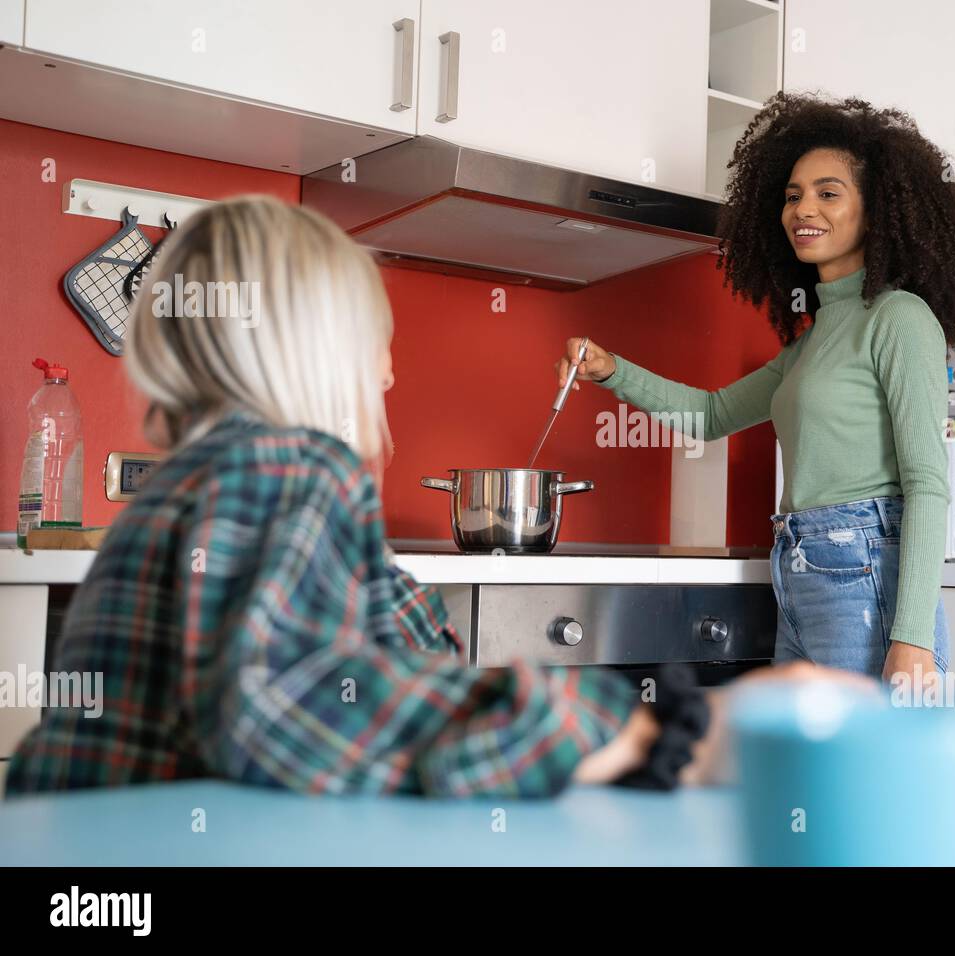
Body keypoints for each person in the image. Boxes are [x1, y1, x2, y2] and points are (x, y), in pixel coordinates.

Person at [6, 196, 844, 799]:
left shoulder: (201, 491)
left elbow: (343, 659)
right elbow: (286, 707)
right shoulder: (280, 468)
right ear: (311, 355)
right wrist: (665, 737)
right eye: (376, 344)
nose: (390, 373)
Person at [555, 93, 955, 683]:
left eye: (827, 192)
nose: (802, 208)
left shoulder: (900, 318)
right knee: (806, 768)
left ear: (878, 210)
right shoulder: (813, 341)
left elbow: (926, 481)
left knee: (854, 770)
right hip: (800, 570)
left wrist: (912, 636)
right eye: (792, 195)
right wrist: (612, 371)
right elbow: (710, 417)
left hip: (864, 576)